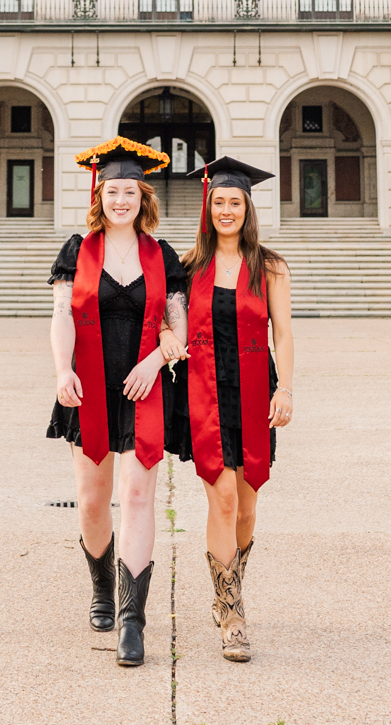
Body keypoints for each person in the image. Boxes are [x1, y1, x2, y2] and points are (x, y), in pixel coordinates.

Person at [46, 137, 188, 666]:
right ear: (99, 195)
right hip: (88, 384)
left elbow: (178, 328)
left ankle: (133, 618)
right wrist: (63, 370)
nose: (121, 200)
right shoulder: (77, 251)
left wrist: (155, 360)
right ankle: (102, 588)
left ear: (142, 195)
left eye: (129, 191)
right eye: (112, 191)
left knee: (135, 496)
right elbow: (61, 314)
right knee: (91, 499)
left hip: (144, 388)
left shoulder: (162, 254)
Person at [174, 157, 293, 664]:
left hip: (252, 391)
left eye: (235, 202)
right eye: (218, 202)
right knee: (221, 501)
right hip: (203, 395)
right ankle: (232, 613)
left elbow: (283, 333)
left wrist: (285, 388)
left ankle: (230, 582)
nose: (226, 210)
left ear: (248, 207)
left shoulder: (269, 266)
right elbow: (165, 323)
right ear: (208, 206)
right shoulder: (187, 266)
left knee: (246, 507)